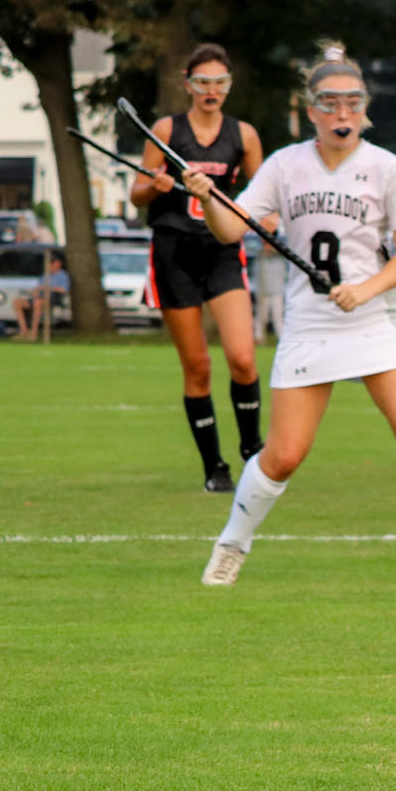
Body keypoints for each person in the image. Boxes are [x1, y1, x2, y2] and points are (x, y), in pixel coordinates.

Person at [182, 45, 396, 588]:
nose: (342, 114)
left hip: (375, 321)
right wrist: (208, 198)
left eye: (352, 102)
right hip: (311, 325)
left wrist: (366, 288)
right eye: (330, 103)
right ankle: (232, 544)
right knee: (283, 455)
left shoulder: (386, 168)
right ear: (311, 110)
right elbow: (231, 230)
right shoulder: (284, 165)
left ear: (365, 108)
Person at [134, 44, 266, 492]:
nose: (211, 91)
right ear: (188, 84)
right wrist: (156, 186)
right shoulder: (166, 129)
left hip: (222, 252)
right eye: (202, 82)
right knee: (197, 367)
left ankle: (253, 451)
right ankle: (214, 467)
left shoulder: (243, 135)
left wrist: (259, 219)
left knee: (243, 360)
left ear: (229, 86)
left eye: (220, 83)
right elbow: (136, 193)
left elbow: (260, 196)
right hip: (174, 253)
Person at [16, 251, 68, 340]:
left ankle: (33, 334)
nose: (49, 266)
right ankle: (24, 331)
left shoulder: (63, 276)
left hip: (52, 299)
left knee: (37, 303)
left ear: (57, 263)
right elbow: (38, 289)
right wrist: (35, 291)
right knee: (17, 302)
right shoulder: (45, 275)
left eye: (51, 263)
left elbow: (63, 290)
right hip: (38, 298)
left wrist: (47, 288)